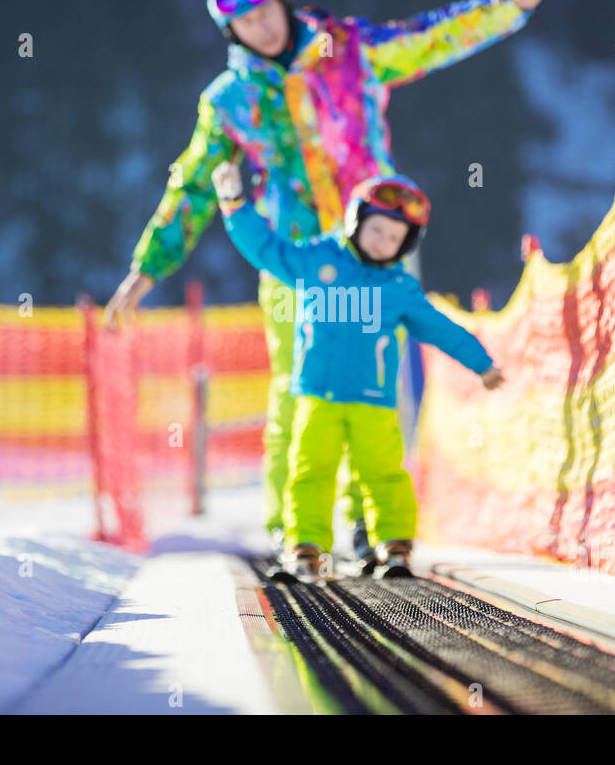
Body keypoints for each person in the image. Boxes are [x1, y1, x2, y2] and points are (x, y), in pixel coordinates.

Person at [103, 0, 560, 553]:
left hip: (375, 249)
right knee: (300, 387)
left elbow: (427, 39)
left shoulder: (346, 50)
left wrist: (507, 8)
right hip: (293, 260)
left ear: (283, 3)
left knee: (373, 385)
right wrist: (147, 269)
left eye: (266, 11)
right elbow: (191, 187)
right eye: (245, 22)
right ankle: (296, 531)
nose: (261, 28)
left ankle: (371, 523)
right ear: (230, 32)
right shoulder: (231, 101)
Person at [212, 162, 505, 580]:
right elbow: (267, 249)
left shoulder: (398, 288)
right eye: (377, 230)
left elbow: (442, 330)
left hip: (373, 401)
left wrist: (482, 363)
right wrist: (235, 205)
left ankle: (395, 546)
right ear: (355, 221)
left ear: (406, 245)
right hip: (316, 396)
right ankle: (306, 547)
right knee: (309, 472)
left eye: (395, 237)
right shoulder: (317, 260)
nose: (384, 242)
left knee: (382, 473)